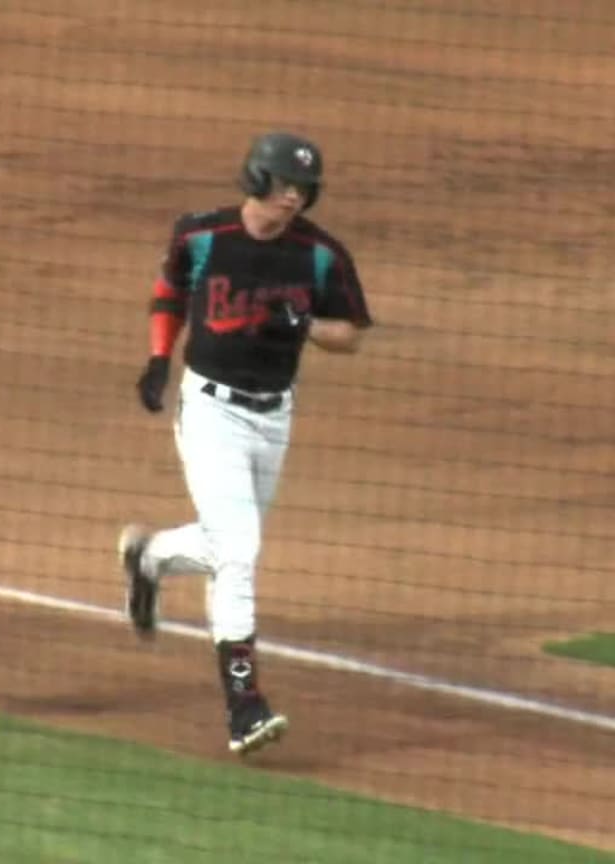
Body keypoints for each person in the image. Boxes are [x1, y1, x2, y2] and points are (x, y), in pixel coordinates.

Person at [119, 131, 373, 756]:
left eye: (303, 189)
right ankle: (244, 706)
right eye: (286, 185)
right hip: (210, 411)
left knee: (229, 545)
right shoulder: (201, 236)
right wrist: (158, 358)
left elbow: (351, 333)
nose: (295, 197)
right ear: (256, 180)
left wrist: (308, 324)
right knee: (240, 552)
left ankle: (149, 557)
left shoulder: (321, 256)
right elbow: (170, 294)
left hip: (273, 417)